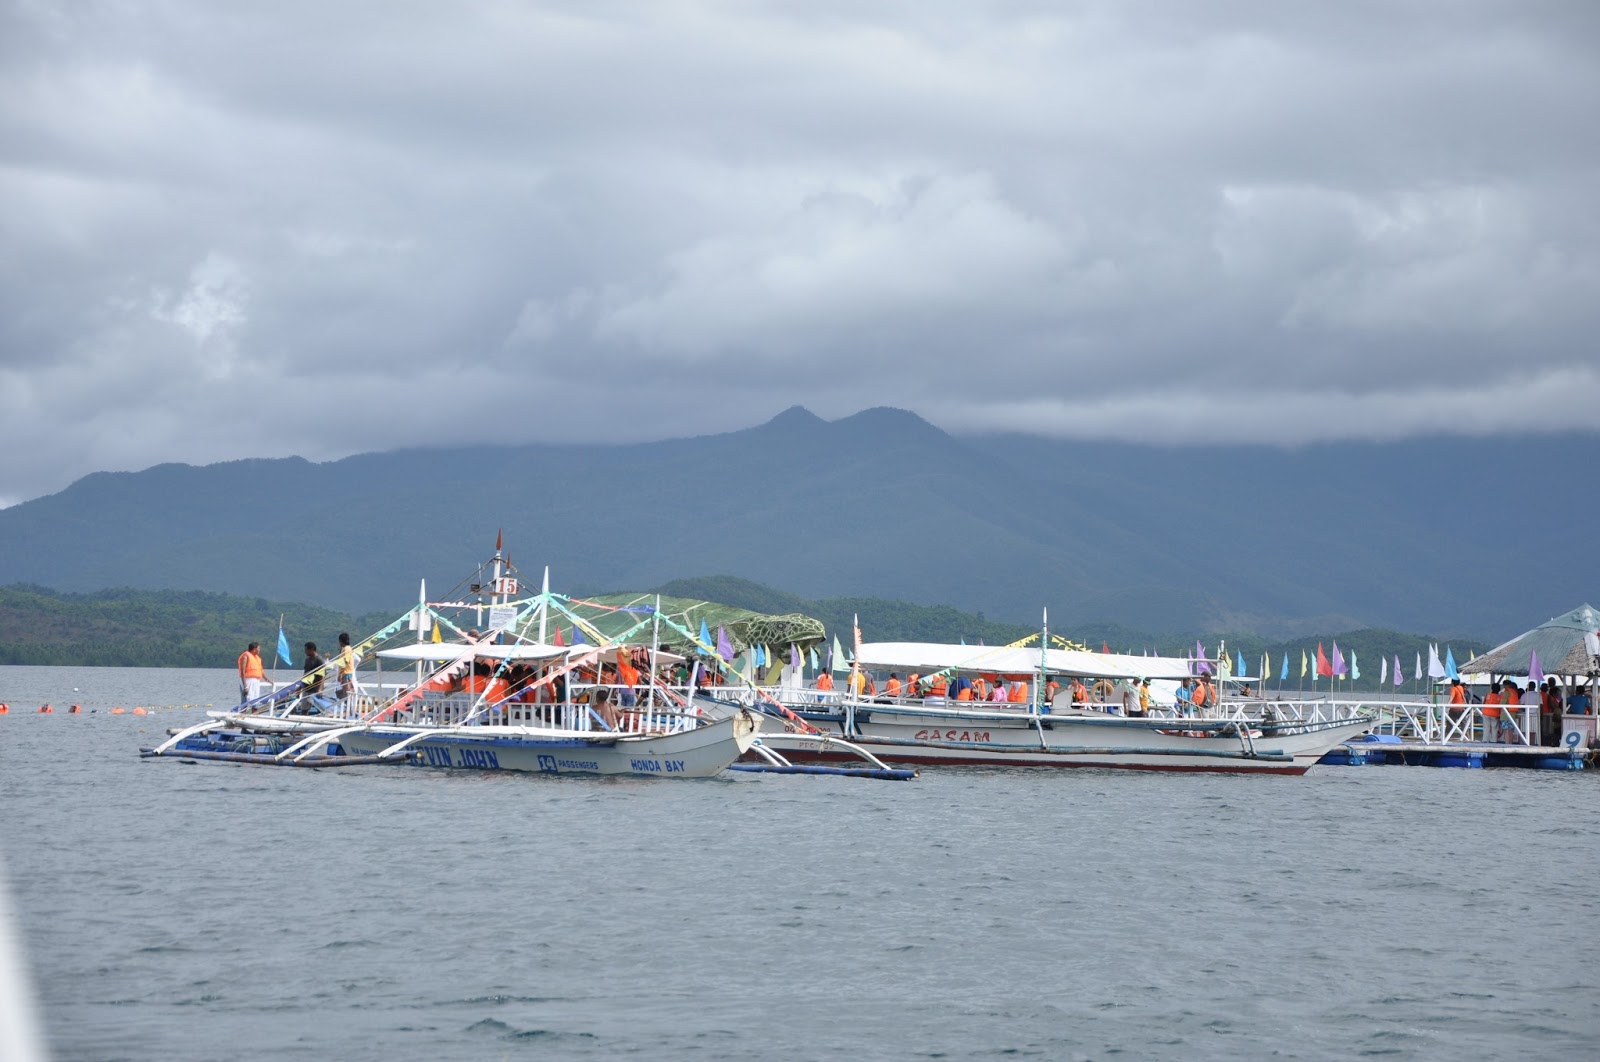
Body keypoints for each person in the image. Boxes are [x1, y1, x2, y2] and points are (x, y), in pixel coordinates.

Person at [334, 632, 356, 705]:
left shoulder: (347, 649)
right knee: (345, 691)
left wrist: (341, 674)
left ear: (341, 641)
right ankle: (346, 706)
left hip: (346, 673)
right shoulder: (346, 648)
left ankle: (348, 708)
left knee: (347, 692)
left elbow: (345, 662)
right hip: (346, 673)